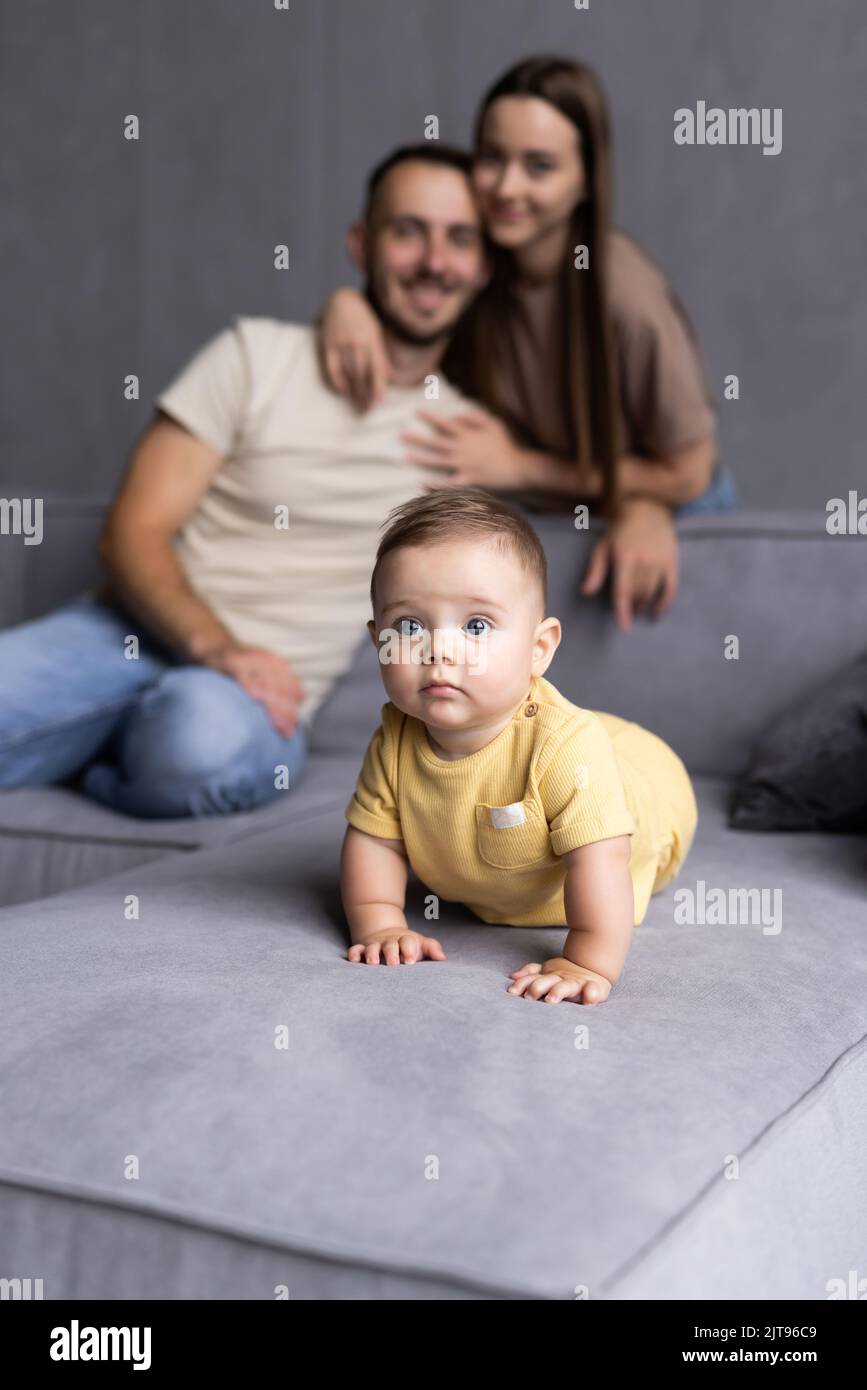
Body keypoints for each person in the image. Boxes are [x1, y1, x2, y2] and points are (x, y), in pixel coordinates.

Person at [0, 145, 489, 818]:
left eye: (459, 238)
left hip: (252, 698)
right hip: (118, 635)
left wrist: (621, 503)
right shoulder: (256, 355)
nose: (434, 261)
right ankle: (115, 735)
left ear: (484, 264)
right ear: (360, 243)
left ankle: (109, 758)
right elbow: (130, 533)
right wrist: (217, 648)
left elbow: (633, 447)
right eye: (407, 231)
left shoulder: (468, 436)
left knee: (198, 749)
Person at [320, 56, 737, 632]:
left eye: (539, 166)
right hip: (546, 513)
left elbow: (689, 473)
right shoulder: (477, 263)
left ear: (585, 181)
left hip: (673, 504)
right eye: (492, 158)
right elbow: (407, 300)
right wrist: (347, 305)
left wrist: (527, 469)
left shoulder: (623, 292)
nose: (507, 187)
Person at [341, 488, 698, 1005]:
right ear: (379, 642)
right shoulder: (394, 739)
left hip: (650, 795)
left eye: (477, 625)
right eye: (410, 626)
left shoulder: (567, 749)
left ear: (538, 649)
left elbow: (601, 860)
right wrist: (378, 925)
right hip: (562, 755)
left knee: (588, 767)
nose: (440, 647)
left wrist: (586, 960)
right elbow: (374, 842)